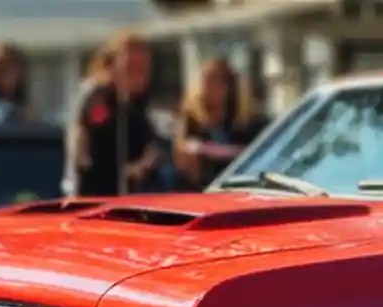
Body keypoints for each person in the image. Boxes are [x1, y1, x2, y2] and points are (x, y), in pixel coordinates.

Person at [64, 31, 163, 197]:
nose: (140, 76)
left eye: (143, 69)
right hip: (94, 199)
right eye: (132, 68)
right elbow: (94, 151)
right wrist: (133, 169)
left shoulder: (135, 104)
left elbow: (149, 144)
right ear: (113, 64)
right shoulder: (98, 98)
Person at [173, 58, 264, 189]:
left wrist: (206, 149)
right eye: (206, 79)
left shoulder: (244, 124)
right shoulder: (190, 120)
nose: (208, 86)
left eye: (217, 80)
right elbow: (182, 154)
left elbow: (252, 155)